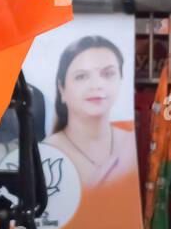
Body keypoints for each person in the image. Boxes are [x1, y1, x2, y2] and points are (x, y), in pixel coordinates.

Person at [46, 35, 137, 190]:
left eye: (108, 74)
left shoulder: (131, 144)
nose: (96, 85)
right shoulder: (45, 154)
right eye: (81, 76)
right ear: (62, 88)